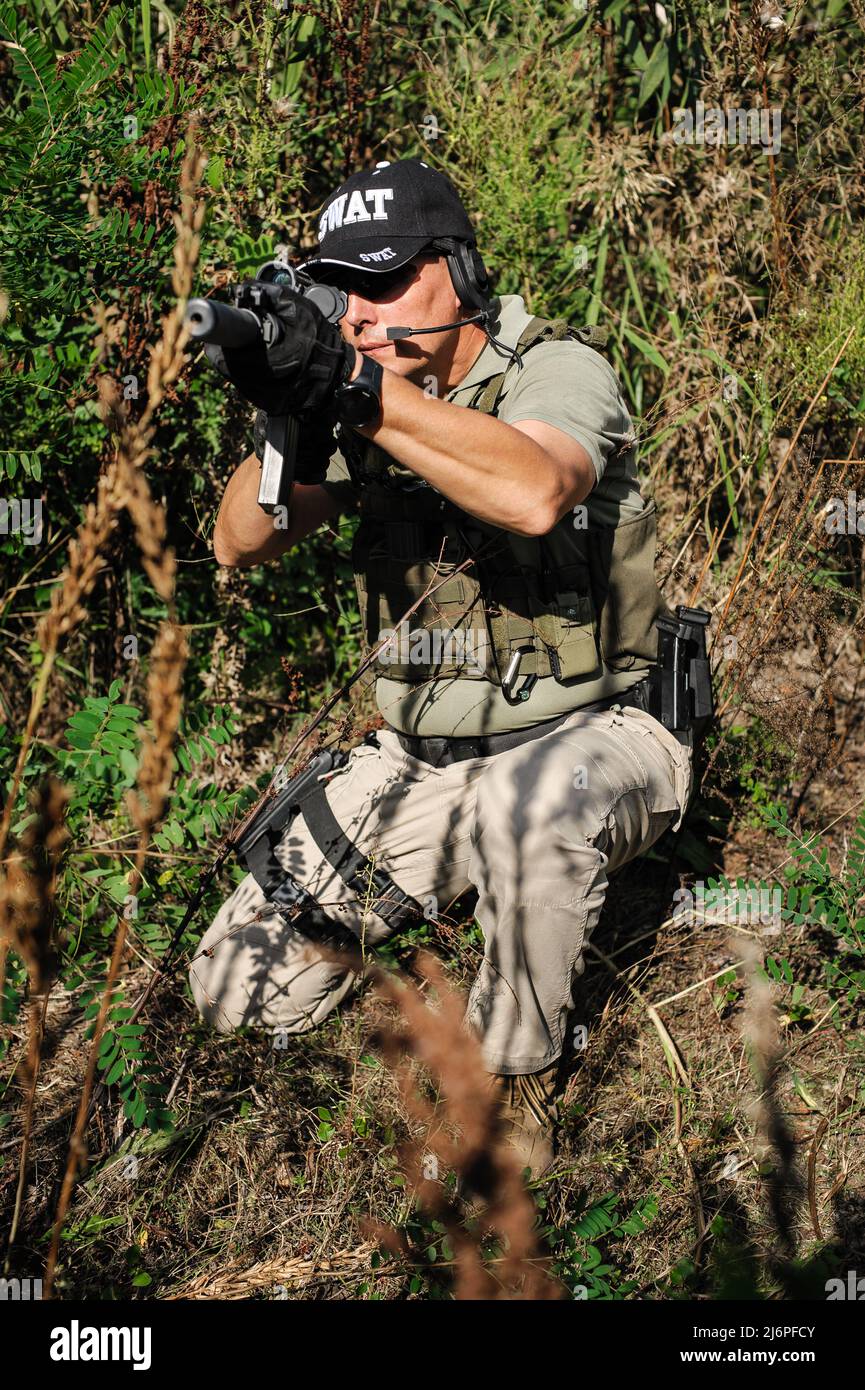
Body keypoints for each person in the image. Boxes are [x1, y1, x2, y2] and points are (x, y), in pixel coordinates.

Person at [190, 157, 693, 1180]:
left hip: (596, 735)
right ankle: (465, 886)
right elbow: (238, 541)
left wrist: (359, 387)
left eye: (387, 281)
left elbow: (535, 493)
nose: (365, 311)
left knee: (537, 803)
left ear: (457, 271)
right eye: (345, 287)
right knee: (233, 994)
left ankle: (520, 1077)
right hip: (419, 759)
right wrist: (287, 411)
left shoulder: (555, 368)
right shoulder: (366, 395)